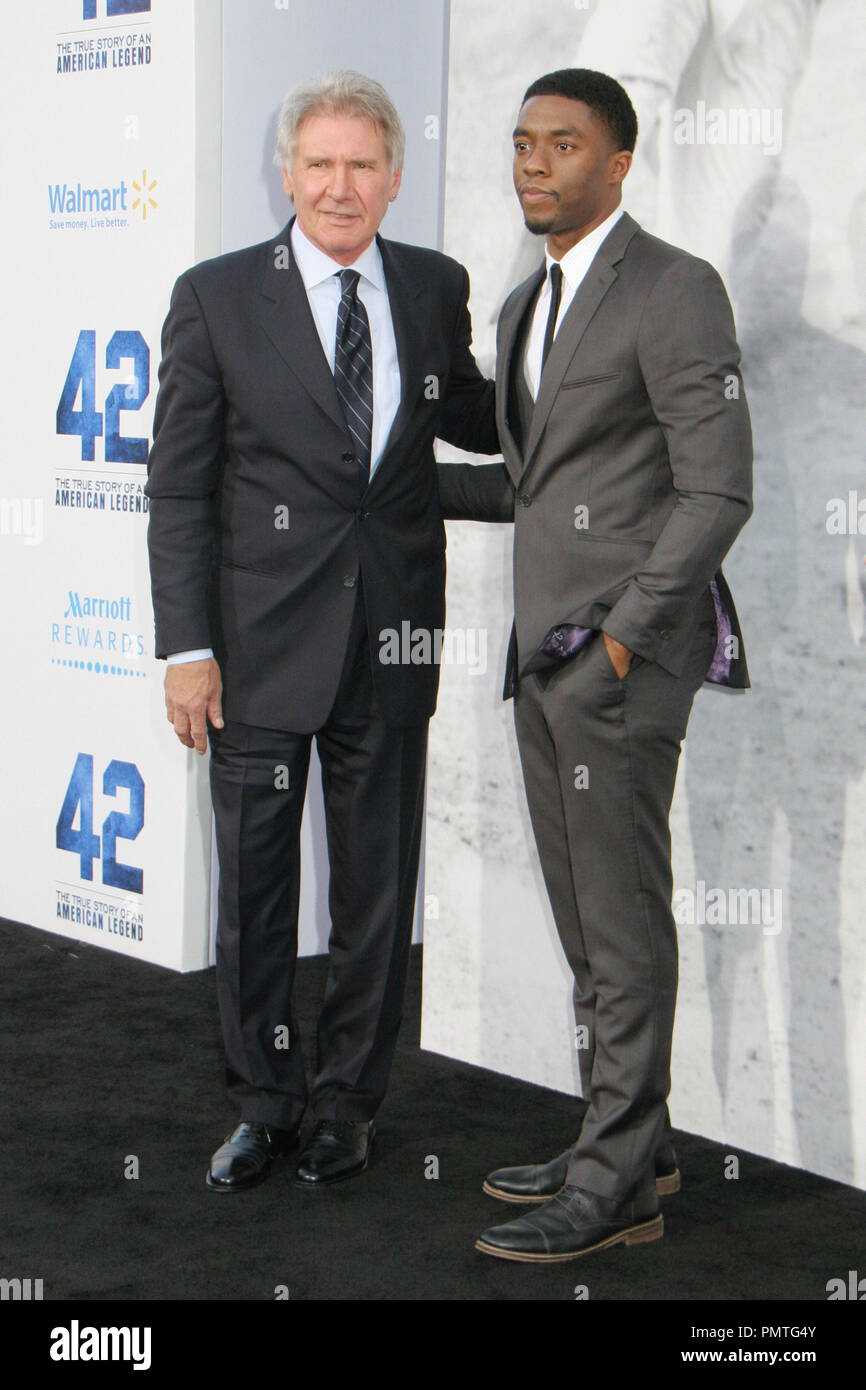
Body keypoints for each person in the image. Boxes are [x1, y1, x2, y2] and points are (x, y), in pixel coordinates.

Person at [146, 69, 497, 1192]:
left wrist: (581, 363)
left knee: (375, 889)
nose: (339, 186)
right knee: (254, 895)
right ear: (286, 173)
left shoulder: (435, 288)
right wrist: (186, 648)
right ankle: (262, 1104)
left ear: (394, 178)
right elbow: (178, 490)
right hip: (252, 651)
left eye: (361, 165)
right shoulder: (213, 297)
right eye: (319, 164)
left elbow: (481, 419)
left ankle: (348, 1102)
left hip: (393, 641)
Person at [438, 67, 752, 1261]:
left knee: (618, 922)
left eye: (560, 144)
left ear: (616, 163)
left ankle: (617, 1187)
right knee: (587, 917)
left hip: (617, 663)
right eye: (521, 143)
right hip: (541, 657)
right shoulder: (529, 303)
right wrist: (385, 489)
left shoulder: (672, 288)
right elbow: (534, 484)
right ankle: (627, 1139)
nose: (532, 163)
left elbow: (718, 487)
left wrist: (623, 633)